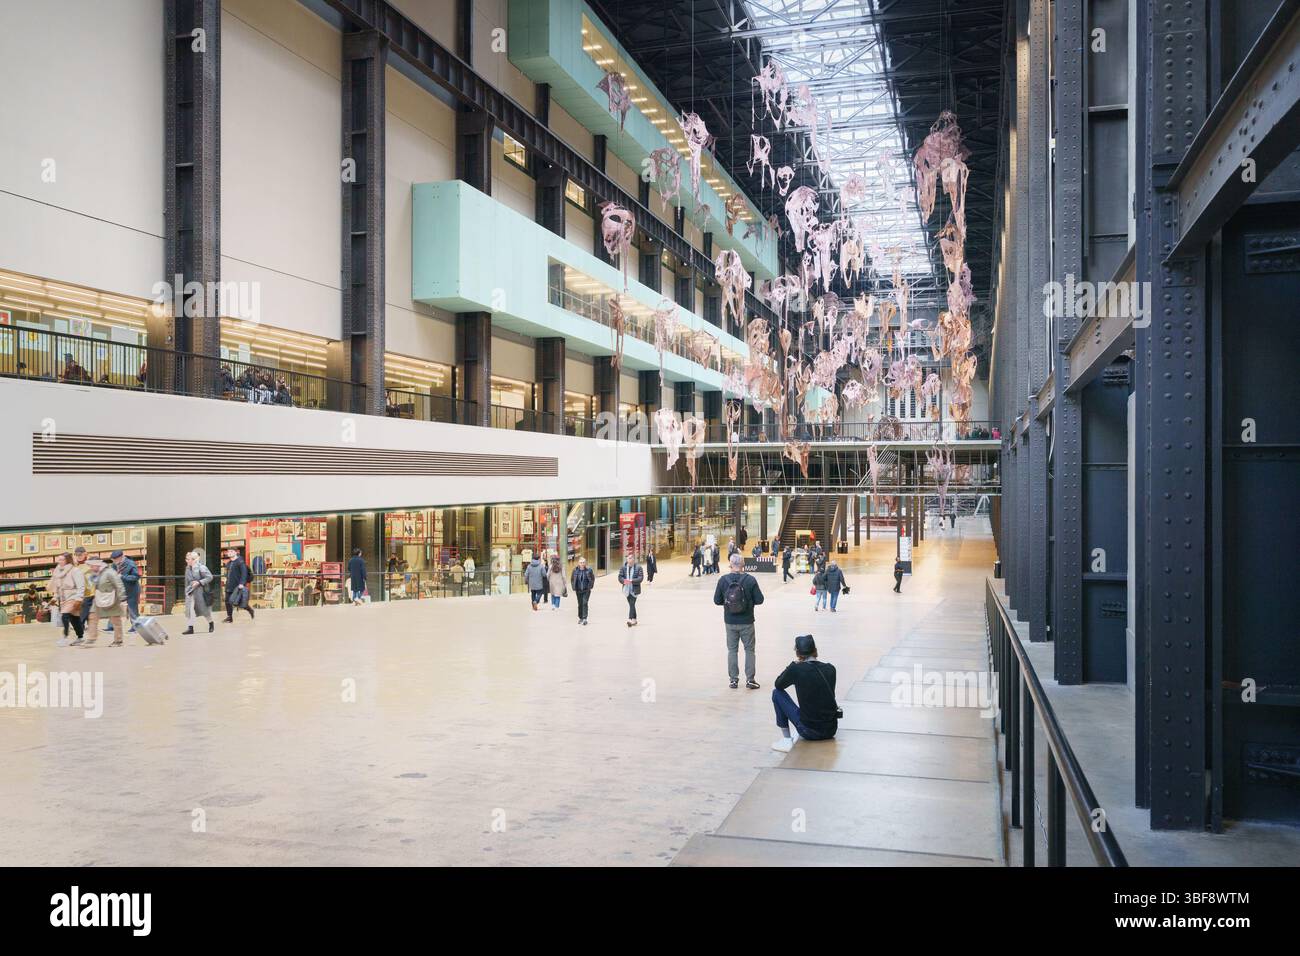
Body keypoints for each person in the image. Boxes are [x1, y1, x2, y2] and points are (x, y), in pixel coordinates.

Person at [770, 634, 839, 752]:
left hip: (809, 731)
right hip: (831, 729)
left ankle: (787, 739)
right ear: (815, 650)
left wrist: (793, 665)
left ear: (798, 653)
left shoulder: (796, 669)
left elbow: (778, 684)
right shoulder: (830, 669)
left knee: (777, 693)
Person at [713, 552, 764, 689]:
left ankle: (733, 680)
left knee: (732, 650)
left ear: (730, 564)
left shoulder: (723, 580)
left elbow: (717, 601)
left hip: (730, 622)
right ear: (743, 564)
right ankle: (750, 679)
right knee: (749, 650)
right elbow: (760, 600)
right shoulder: (750, 580)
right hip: (747, 621)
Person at [80, 556, 126, 647]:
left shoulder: (109, 572)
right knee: (92, 617)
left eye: (92, 566)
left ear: (97, 564)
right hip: (98, 598)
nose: (90, 568)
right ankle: (91, 638)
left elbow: (119, 584)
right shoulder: (94, 573)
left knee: (115, 620)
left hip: (112, 598)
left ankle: (118, 640)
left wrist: (122, 597)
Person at [50, 552, 86, 646]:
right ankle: (80, 636)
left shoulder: (75, 571)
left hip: (73, 597)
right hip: (63, 599)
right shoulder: (58, 572)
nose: (59, 561)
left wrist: (79, 598)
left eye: (62, 559)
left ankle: (65, 638)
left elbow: (81, 586)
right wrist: (54, 597)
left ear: (67, 560)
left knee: (64, 616)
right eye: (59, 559)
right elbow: (58, 587)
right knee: (74, 618)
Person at [182, 550, 215, 635]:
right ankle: (190, 628)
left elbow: (209, 577)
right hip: (190, 592)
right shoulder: (187, 568)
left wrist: (199, 582)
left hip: (200, 592)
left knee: (204, 610)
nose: (187, 561)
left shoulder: (202, 567)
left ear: (194, 560)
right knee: (189, 610)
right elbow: (186, 581)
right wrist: (186, 591)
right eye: (186, 559)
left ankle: (211, 623)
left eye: (188, 559)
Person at [111, 550, 140, 633]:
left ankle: (136, 627)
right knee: (113, 606)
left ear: (121, 557)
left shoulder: (130, 564)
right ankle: (111, 627)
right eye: (113, 560)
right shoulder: (114, 565)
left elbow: (135, 577)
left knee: (132, 609)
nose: (114, 562)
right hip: (120, 589)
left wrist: (123, 576)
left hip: (132, 589)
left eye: (115, 559)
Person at [224, 549, 255, 622]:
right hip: (229, 585)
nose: (229, 553)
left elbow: (244, 573)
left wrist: (242, 583)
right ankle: (229, 617)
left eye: (231, 551)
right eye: (228, 552)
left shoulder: (240, 562)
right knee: (227, 601)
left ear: (236, 552)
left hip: (237, 586)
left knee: (239, 602)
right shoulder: (229, 563)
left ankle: (250, 610)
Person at [617, 553, 643, 627]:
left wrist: (631, 581)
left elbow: (640, 578)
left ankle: (630, 619)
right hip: (626, 589)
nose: (630, 559)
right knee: (632, 605)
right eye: (629, 558)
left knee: (632, 604)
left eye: (631, 558)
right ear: (627, 559)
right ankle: (634, 619)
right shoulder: (623, 568)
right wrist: (625, 581)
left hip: (635, 589)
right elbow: (620, 577)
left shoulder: (638, 567)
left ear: (633, 559)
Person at [571, 555, 594, 625]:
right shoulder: (575, 570)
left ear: (585, 563)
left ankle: (585, 618)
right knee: (580, 604)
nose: (582, 564)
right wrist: (573, 587)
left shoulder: (589, 570)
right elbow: (572, 579)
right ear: (578, 563)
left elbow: (592, 579)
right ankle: (580, 617)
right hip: (578, 590)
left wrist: (590, 586)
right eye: (581, 562)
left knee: (584, 603)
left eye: (583, 562)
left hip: (586, 590)